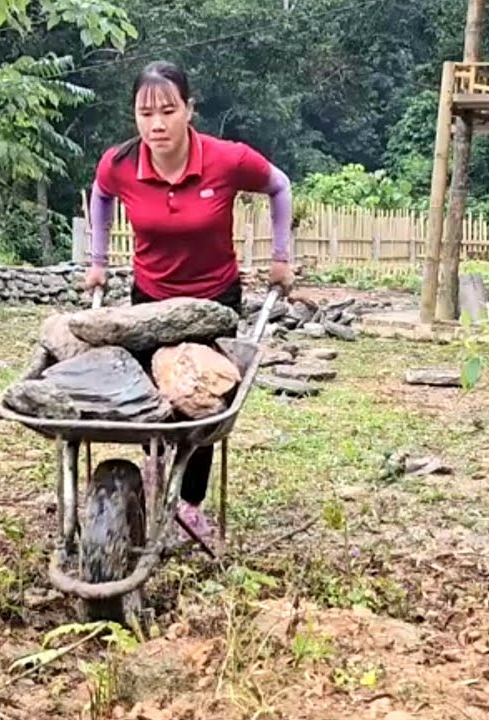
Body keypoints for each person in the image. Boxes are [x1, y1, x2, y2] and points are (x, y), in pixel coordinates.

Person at [84, 60, 295, 545]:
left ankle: (189, 504)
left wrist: (281, 259)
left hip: (214, 302)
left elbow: (279, 185)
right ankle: (154, 467)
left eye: (168, 110)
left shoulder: (227, 160)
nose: (156, 124)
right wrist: (96, 261)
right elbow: (99, 196)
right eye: (145, 113)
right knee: (153, 400)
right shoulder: (119, 164)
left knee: (203, 404)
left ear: (189, 110)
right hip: (150, 304)